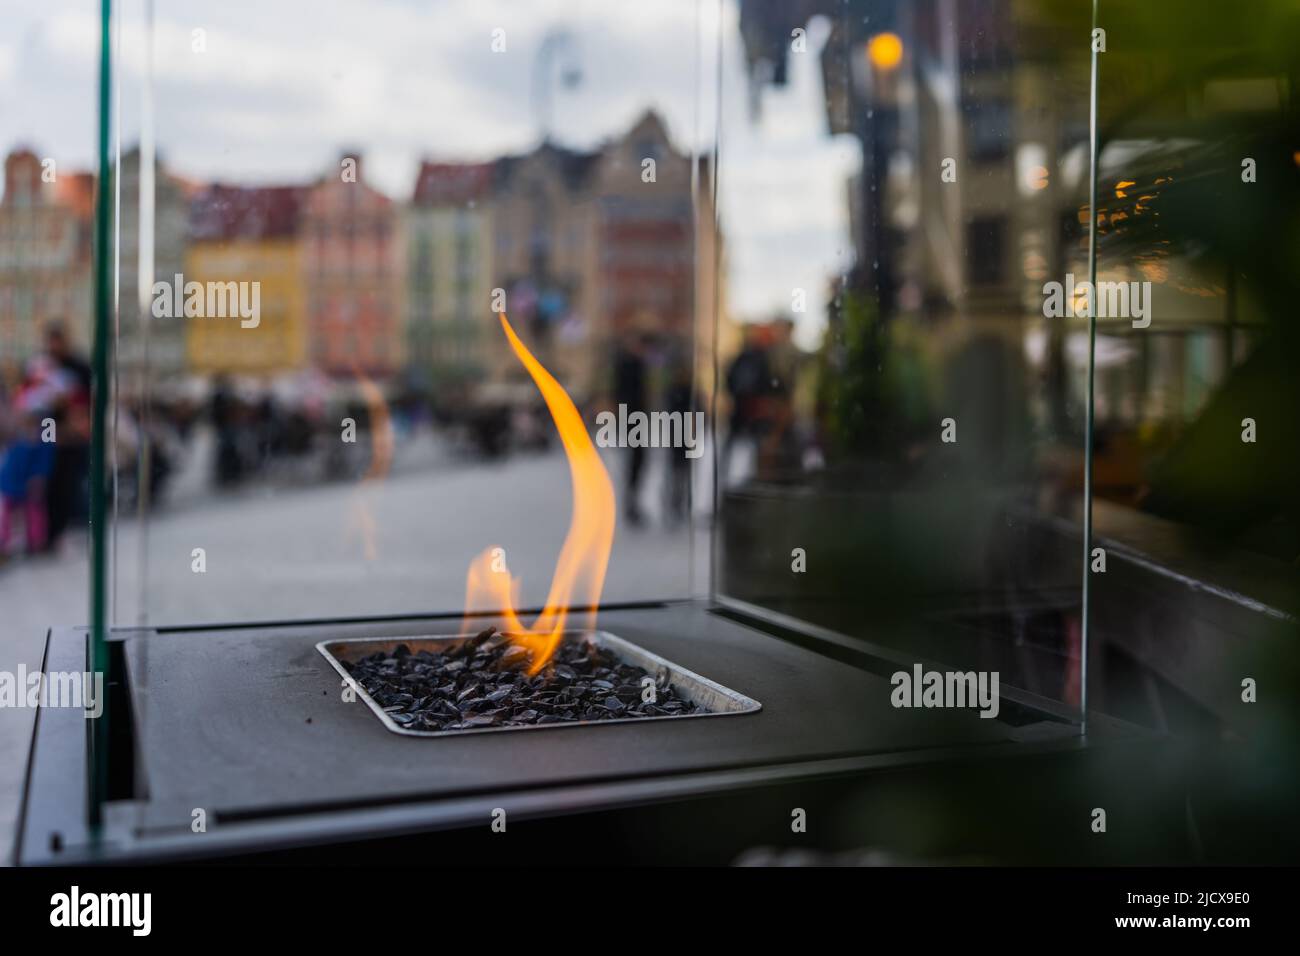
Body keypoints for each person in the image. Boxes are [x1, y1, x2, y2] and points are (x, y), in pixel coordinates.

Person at [41, 324, 91, 549]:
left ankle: (70, 528)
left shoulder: (78, 367)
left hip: (74, 433)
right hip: (52, 429)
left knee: (72, 482)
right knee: (52, 481)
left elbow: (86, 403)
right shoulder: (43, 366)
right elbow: (40, 405)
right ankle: (51, 532)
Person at [613, 332, 650, 527]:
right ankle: (631, 503)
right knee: (635, 462)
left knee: (638, 462)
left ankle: (632, 501)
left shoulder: (634, 364)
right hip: (633, 420)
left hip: (635, 420)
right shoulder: (629, 365)